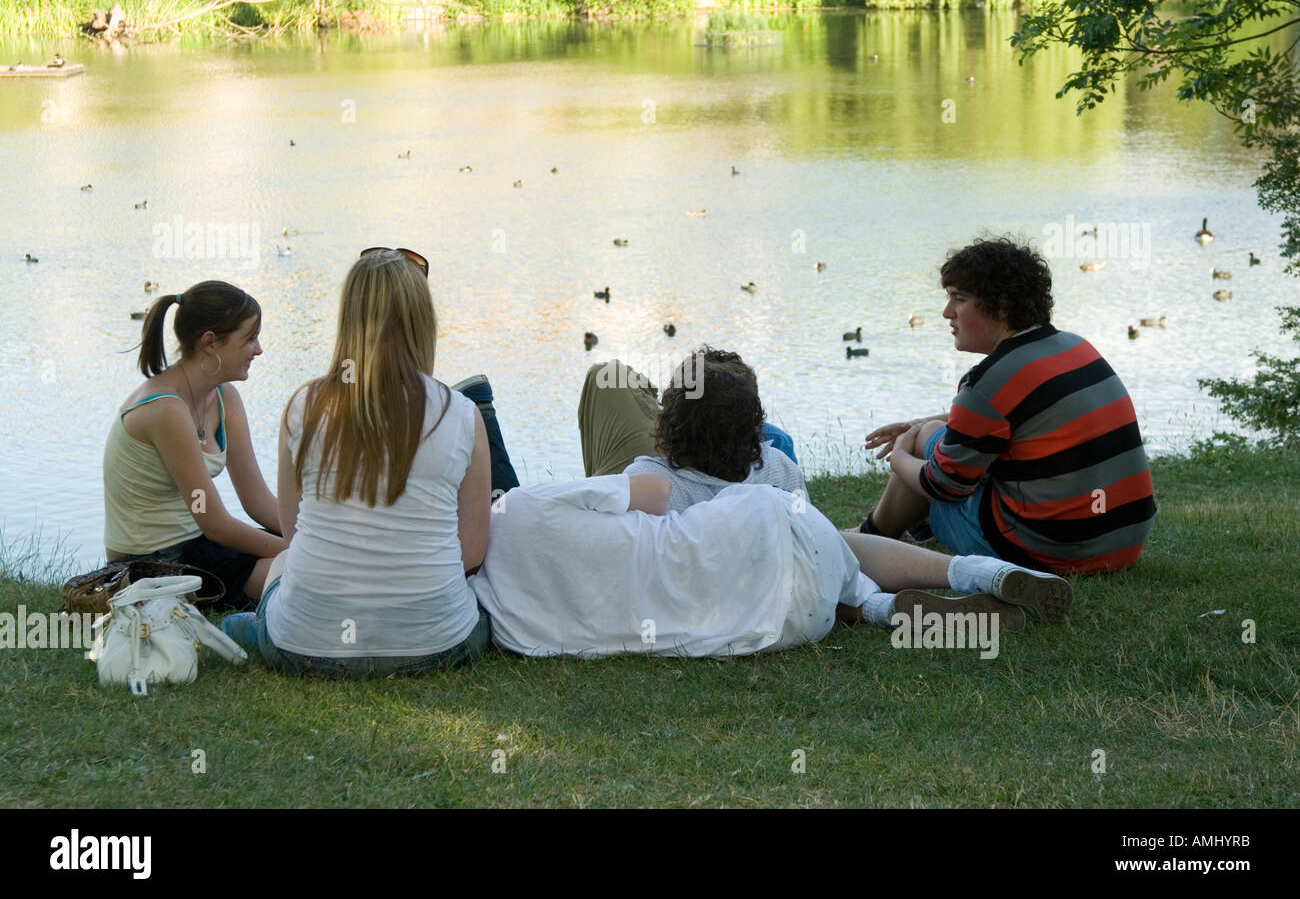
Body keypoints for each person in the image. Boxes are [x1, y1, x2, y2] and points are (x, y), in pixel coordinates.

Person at [222, 247, 494, 678]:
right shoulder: (461, 414)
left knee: (280, 566)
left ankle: (253, 627)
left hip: (305, 646)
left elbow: (294, 533)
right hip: (436, 644)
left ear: (348, 318)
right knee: (481, 605)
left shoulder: (303, 407)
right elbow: (473, 550)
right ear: (422, 320)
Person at [469, 471, 1070, 659]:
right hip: (769, 536)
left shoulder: (508, 623)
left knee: (847, 590)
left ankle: (882, 608)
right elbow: (652, 493)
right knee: (806, 537)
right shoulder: (524, 504)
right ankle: (986, 574)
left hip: (783, 626)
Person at [859, 237, 1156, 581]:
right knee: (928, 432)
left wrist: (901, 453)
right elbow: (1019, 417)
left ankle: (870, 539)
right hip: (1122, 544)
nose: (946, 313)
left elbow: (943, 485)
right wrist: (920, 423)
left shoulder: (987, 382)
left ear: (1000, 306)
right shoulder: (1075, 347)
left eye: (959, 299)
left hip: (1052, 554)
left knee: (927, 442)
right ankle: (889, 531)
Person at [103, 281, 284, 607]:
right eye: (250, 339)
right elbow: (214, 523)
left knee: (303, 560)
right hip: (150, 563)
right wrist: (302, 552)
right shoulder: (165, 409)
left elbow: (257, 500)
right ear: (211, 343)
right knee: (295, 570)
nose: (258, 350)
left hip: (198, 543)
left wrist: (315, 536)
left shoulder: (225, 397)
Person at [580, 348, 803, 512]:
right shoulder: (781, 467)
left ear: (667, 422)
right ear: (755, 424)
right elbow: (807, 524)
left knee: (606, 375)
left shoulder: (646, 481)